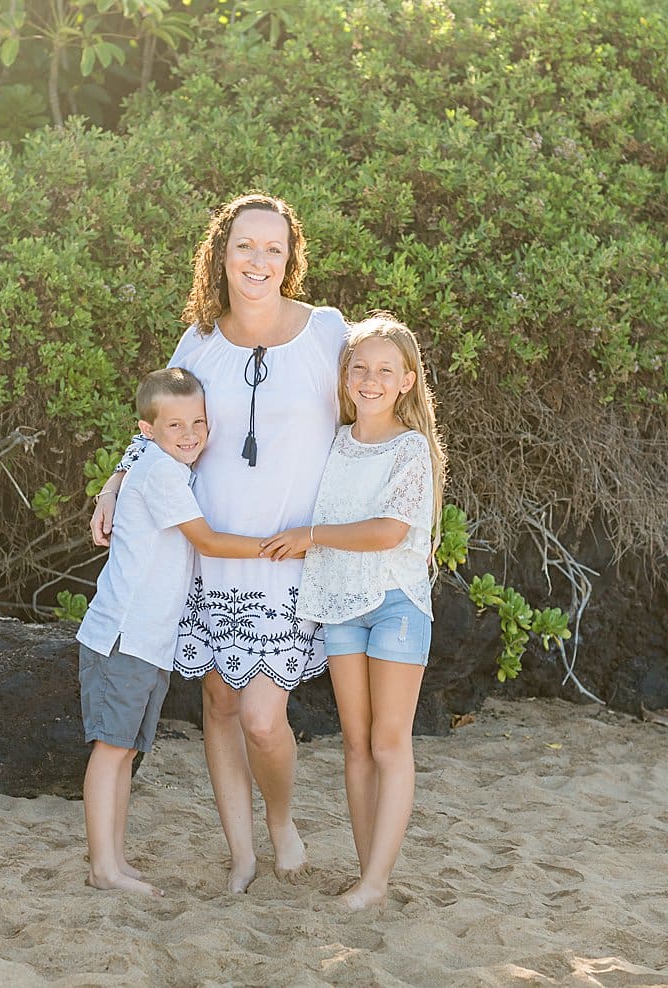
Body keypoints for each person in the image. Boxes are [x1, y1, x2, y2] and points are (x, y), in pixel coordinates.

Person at [91, 193, 348, 892]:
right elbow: (159, 420)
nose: (258, 261)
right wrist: (117, 480)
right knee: (220, 705)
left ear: (290, 256)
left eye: (272, 247)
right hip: (211, 556)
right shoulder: (200, 339)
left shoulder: (327, 331)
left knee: (265, 720)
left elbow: (378, 414)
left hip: (292, 557)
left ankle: (282, 821)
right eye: (244, 247)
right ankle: (240, 855)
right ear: (221, 254)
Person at [261, 314, 446, 911]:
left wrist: (311, 535)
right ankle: (370, 874)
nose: (369, 379)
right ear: (344, 376)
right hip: (340, 604)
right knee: (356, 746)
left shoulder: (411, 449)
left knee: (390, 744)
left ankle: (374, 883)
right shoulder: (335, 442)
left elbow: (391, 531)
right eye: (359, 367)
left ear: (407, 382)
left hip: (394, 606)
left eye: (384, 371)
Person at [77, 368, 267, 897]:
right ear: (146, 430)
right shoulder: (160, 472)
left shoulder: (168, 467)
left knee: (125, 752)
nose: (189, 434)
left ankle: (112, 861)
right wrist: (278, 546)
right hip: (123, 636)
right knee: (110, 751)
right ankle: (103, 867)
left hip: (148, 641)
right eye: (175, 424)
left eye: (199, 423)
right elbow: (206, 541)